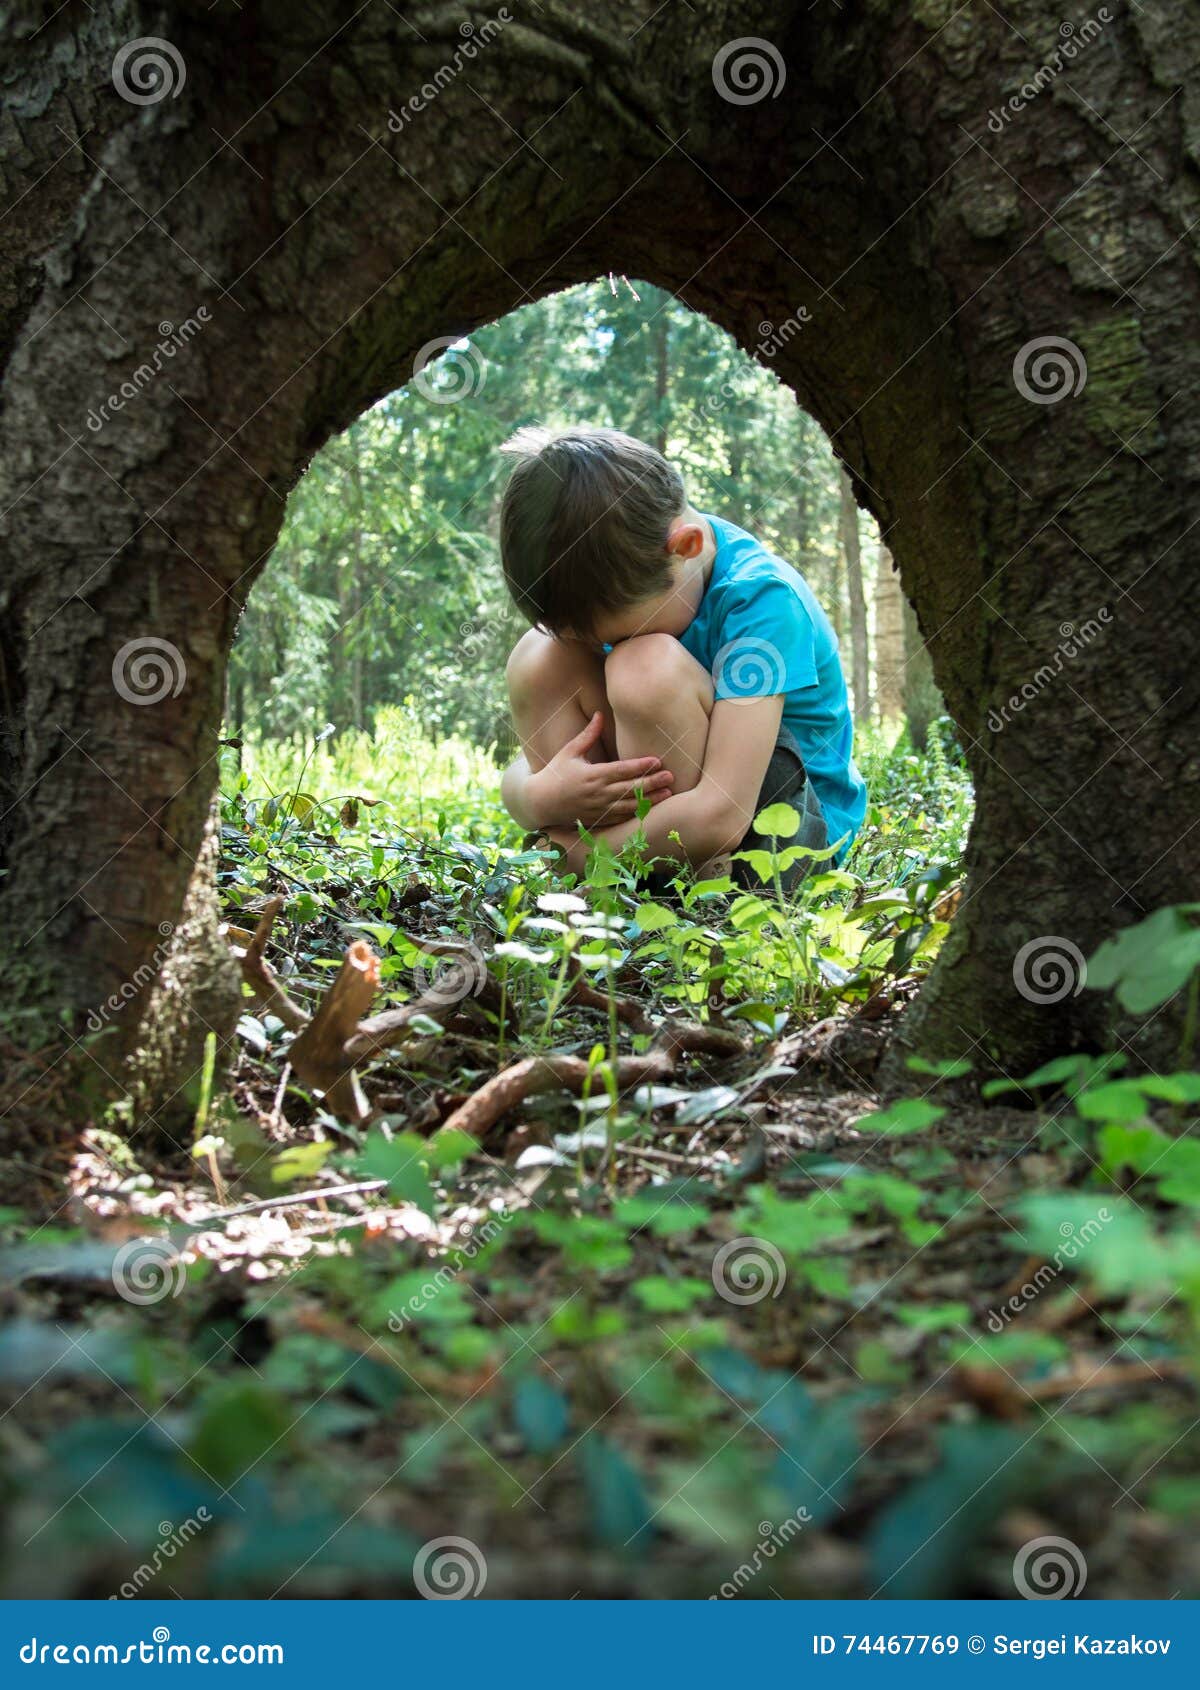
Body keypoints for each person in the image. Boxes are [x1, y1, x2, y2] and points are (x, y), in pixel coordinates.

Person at [497, 425, 867, 882]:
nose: (600, 649)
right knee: (541, 654)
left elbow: (722, 814)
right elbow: (518, 775)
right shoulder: (629, 562)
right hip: (664, 817)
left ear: (685, 547)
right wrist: (538, 799)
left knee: (644, 668)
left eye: (617, 632)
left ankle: (681, 891)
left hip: (780, 832)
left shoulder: (763, 602)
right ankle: (621, 892)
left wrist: (574, 859)